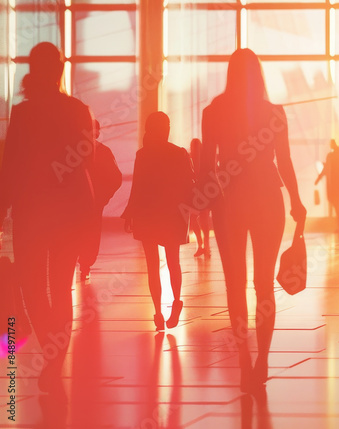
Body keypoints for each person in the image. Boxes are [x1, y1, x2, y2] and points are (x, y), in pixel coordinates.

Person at [201, 49, 307, 391]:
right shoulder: (274, 112)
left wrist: (209, 199)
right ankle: (263, 358)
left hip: (229, 200)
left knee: (235, 284)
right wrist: (296, 200)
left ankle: (245, 359)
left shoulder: (213, 111)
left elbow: (206, 166)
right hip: (267, 197)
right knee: (264, 282)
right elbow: (285, 160)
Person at [0, 42, 95, 393]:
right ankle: (56, 354)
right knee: (61, 286)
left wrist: (3, 208)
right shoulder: (77, 110)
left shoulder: (23, 114)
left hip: (31, 213)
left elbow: (10, 166)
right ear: (58, 71)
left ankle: (51, 347)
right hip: (69, 212)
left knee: (33, 287)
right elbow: (88, 161)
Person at [122, 112, 194, 331]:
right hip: (172, 215)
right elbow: (188, 185)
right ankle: (177, 301)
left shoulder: (142, 155)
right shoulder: (179, 153)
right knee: (173, 262)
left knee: (153, 266)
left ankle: (157, 313)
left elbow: (138, 187)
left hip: (148, 215)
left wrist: (129, 212)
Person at [79, 119, 123, 281]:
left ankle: (80, 264)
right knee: (91, 234)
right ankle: (85, 265)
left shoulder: (73, 152)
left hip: (78, 204)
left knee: (76, 233)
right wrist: (103, 197)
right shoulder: (104, 152)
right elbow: (116, 178)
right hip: (94, 202)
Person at [315, 139, 339, 231]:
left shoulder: (331, 156)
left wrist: (318, 179)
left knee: (337, 206)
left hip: (334, 186)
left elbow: (326, 169)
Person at [189, 138, 212, 257]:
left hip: (201, 191)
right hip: (203, 191)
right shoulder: (204, 160)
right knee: (201, 219)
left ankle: (203, 245)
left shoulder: (191, 159)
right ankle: (204, 245)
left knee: (198, 219)